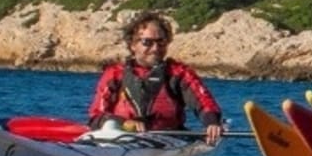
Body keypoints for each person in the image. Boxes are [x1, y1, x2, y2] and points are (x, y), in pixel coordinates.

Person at [87, 11, 223, 144]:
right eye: (147, 42)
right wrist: (124, 123)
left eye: (161, 42)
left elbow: (204, 102)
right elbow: (96, 116)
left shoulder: (178, 73)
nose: (155, 48)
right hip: (121, 139)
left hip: (168, 139)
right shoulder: (114, 74)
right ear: (133, 45)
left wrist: (212, 122)